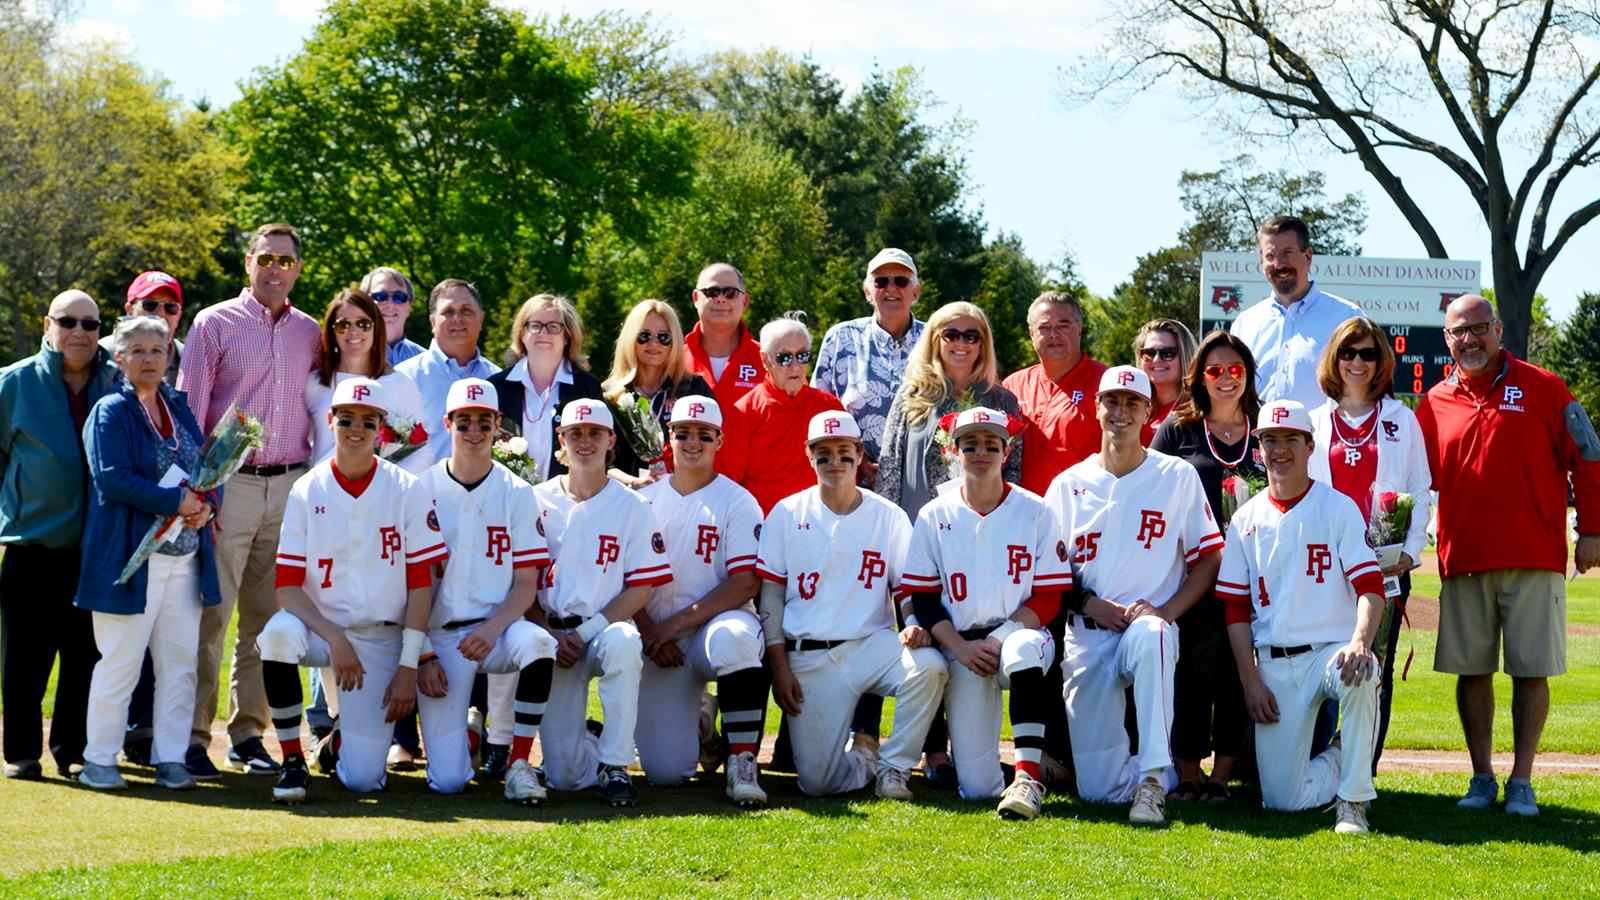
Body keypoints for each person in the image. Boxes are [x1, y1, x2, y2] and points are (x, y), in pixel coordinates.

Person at [1416, 294, 1600, 817]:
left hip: (1533, 556)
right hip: (1464, 557)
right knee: (1470, 673)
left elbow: (1589, 455)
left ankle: (1521, 780)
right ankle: (1481, 777)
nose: (1468, 340)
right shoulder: (1433, 403)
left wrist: (1592, 530)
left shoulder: (1544, 387)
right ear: (1447, 339)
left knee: (1530, 671)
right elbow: (1411, 479)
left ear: (1498, 329)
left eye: (1478, 328)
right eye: (1458, 332)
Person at [1042, 366, 1223, 825]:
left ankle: (1153, 782)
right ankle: (1154, 778)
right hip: (1088, 635)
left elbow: (1209, 559)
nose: (1120, 412)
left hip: (1147, 626)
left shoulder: (1176, 476)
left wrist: (1166, 610)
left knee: (1156, 636)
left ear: (1148, 412)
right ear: (1097, 407)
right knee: (1098, 792)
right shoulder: (1067, 485)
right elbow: (1046, 575)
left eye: (1132, 403)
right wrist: (1087, 603)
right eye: (1112, 402)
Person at [176, 223, 323, 779]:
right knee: (210, 617)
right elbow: (189, 413)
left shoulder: (309, 333)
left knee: (267, 621)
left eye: (286, 261)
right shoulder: (214, 323)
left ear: (298, 269)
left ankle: (247, 735)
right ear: (248, 263)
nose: (275, 269)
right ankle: (193, 736)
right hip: (228, 486)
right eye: (266, 258)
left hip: (289, 484)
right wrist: (199, 491)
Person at [257, 377, 446, 803]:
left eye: (367, 420)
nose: (355, 429)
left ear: (382, 426)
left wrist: (409, 664)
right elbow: (287, 587)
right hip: (323, 632)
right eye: (346, 420)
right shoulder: (308, 488)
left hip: (381, 635)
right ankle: (291, 761)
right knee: (277, 635)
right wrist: (334, 637)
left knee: (362, 780)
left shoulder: (406, 488)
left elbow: (421, 585)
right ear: (330, 420)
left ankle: (336, 744)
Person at [756, 411, 947, 798]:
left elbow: (906, 586)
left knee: (929, 666)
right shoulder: (787, 513)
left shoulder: (888, 516)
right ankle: (864, 756)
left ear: (860, 454)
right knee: (817, 784)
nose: (835, 461)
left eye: (844, 452)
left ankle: (893, 768)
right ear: (808, 455)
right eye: (823, 453)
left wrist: (910, 620)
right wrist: (779, 667)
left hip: (872, 646)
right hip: (810, 656)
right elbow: (771, 596)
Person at [1215, 400, 1385, 834]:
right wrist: (1250, 679)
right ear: (1259, 448)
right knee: (1283, 802)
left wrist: (1360, 641)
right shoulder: (1245, 519)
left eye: (1292, 439)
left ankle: (1353, 801)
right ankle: (1345, 753)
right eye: (1271, 439)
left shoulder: (1338, 508)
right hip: (1273, 662)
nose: (1280, 449)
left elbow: (1370, 589)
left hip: (1332, 651)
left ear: (1310, 446)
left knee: (1363, 672)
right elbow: (1235, 609)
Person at [900, 407, 1075, 820]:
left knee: (1021, 651)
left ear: (1006, 450)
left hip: (1021, 633)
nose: (982, 452)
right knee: (977, 788)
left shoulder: (1035, 509)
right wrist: (959, 647)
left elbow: (1050, 596)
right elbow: (922, 597)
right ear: (953, 452)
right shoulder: (933, 514)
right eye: (971, 444)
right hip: (963, 647)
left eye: (991, 445)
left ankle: (1029, 778)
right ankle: (1028, 767)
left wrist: (1001, 636)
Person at [74, 318, 220, 791]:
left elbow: (205, 469)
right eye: (136, 351)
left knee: (179, 666)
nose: (149, 359)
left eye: (157, 350)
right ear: (119, 359)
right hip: (131, 560)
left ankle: (171, 758)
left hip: (186, 559)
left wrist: (205, 507)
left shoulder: (178, 407)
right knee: (120, 662)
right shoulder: (109, 411)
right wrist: (176, 502)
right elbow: (112, 478)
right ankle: (100, 760)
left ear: (168, 357)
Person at [413, 378, 557, 804]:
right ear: (448, 423)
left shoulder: (516, 491)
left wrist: (494, 629)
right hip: (439, 638)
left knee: (538, 643)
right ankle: (468, 738)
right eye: (464, 421)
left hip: (498, 629)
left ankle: (518, 762)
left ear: (498, 425)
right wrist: (422, 654)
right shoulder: (420, 489)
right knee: (449, 782)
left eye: (483, 421)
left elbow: (526, 583)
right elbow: (409, 586)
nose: (473, 431)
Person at [0, 290, 119, 781]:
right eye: (68, 321)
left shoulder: (117, 381)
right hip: (32, 545)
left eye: (90, 324)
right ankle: (21, 753)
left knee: (85, 656)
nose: (79, 332)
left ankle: (72, 750)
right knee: (24, 657)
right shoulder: (14, 383)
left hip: (96, 548)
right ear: (47, 324)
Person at [530, 398, 672, 806]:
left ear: (612, 441)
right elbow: (521, 582)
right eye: (576, 433)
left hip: (603, 628)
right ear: (561, 440)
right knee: (566, 778)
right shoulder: (536, 499)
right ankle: (588, 741)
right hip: (551, 635)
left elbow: (641, 588)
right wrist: (547, 632)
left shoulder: (632, 505)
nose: (585, 442)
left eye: (595, 433)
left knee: (626, 644)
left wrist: (587, 630)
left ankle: (615, 763)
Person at [1307, 317, 1432, 769]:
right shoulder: (1315, 420)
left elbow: (1420, 490)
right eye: (1348, 352)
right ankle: (1316, 765)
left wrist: (1409, 549)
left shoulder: (1402, 419)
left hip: (1383, 570)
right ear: (1334, 359)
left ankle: (1361, 771)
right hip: (1323, 568)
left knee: (1373, 668)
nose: (1357, 362)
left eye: (1367, 354)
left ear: (1381, 361)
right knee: (1319, 663)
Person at [634, 396, 770, 806]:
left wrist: (670, 627)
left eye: (704, 435)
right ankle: (703, 727)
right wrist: (648, 632)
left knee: (738, 639)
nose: (693, 442)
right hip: (657, 642)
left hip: (713, 629)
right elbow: (621, 579)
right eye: (683, 433)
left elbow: (745, 583)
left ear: (719, 440)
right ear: (668, 438)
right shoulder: (644, 501)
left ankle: (743, 760)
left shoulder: (738, 500)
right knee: (666, 772)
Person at [1150, 330, 1264, 802]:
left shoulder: (1265, 428)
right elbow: (1149, 494)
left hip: (1255, 575)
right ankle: (1189, 770)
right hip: (1192, 574)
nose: (1225, 379)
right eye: (1214, 370)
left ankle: (1223, 776)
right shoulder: (1178, 429)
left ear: (1247, 375)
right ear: (1200, 377)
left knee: (1242, 670)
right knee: (1193, 669)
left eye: (1234, 370)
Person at [877, 302, 1023, 521]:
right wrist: (886, 525)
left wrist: (1005, 522)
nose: (961, 343)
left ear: (983, 344)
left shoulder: (1002, 401)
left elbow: (1013, 472)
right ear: (935, 340)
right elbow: (890, 466)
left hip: (981, 528)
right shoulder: (911, 395)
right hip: (915, 525)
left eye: (971, 336)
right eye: (951, 335)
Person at [811, 248, 928, 486]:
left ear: (915, 291)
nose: (891, 288)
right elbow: (818, 409)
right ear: (867, 291)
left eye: (901, 281)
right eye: (881, 281)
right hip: (852, 481)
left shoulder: (936, 340)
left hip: (922, 482)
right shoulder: (841, 338)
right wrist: (858, 460)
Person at [1230, 216, 1364, 409]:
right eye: (1270, 256)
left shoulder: (1346, 317)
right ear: (1261, 261)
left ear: (1308, 256)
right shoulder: (1245, 324)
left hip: (1323, 438)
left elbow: (1367, 388)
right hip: (1257, 437)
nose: (1279, 264)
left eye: (1287, 253)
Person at [725, 314, 845, 514]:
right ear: (765, 360)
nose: (795, 366)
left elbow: (849, 476)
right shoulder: (744, 412)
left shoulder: (829, 408)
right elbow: (727, 484)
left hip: (822, 526)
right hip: (762, 528)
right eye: (784, 358)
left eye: (803, 355)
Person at [305, 289, 429, 475]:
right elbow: (300, 447)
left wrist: (385, 483)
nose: (353, 332)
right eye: (343, 325)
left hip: (380, 496)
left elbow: (423, 452)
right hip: (324, 495)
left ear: (376, 328)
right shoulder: (314, 383)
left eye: (363, 324)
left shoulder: (400, 383)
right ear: (332, 332)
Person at [486, 294, 604, 485]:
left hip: (567, 502)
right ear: (522, 334)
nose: (544, 333)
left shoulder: (587, 388)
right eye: (535, 326)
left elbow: (604, 452)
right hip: (506, 501)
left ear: (567, 336)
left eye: (553, 327)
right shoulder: (496, 387)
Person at [1003, 291, 1107, 496]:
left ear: (1079, 329)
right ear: (1031, 333)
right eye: (1044, 327)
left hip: (1084, 515)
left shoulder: (1106, 384)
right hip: (1022, 515)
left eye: (1063, 325)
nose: (1053, 334)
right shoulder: (1012, 386)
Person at [601, 299, 713, 485]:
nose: (654, 344)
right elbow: (597, 461)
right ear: (630, 338)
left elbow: (712, 448)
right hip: (625, 500)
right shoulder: (608, 395)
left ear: (674, 342)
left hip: (685, 499)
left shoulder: (693, 388)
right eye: (644, 336)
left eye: (664, 337)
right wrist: (634, 482)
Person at [395, 278, 500, 467]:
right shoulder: (402, 378)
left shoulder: (498, 380)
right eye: (448, 312)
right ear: (433, 321)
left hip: (483, 493)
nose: (457, 318)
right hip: (420, 493)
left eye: (466, 311)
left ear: (481, 318)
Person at [683, 263, 764, 409]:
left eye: (730, 293)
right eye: (712, 292)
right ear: (696, 298)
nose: (721, 299)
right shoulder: (673, 361)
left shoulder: (770, 362)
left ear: (744, 301)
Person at [101, 271, 185, 386]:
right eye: (150, 305)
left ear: (179, 316)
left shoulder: (190, 360)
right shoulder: (102, 354)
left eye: (170, 307)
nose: (161, 314)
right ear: (129, 310)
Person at [1133, 319, 1196, 446]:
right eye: (1149, 354)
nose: (1156, 360)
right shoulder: (1132, 404)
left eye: (1167, 353)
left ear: (1185, 356)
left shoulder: (1199, 408)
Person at [359, 267, 426, 365]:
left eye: (399, 297)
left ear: (410, 307)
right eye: (380, 296)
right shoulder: (345, 359)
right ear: (363, 304)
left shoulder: (427, 363)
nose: (390, 304)